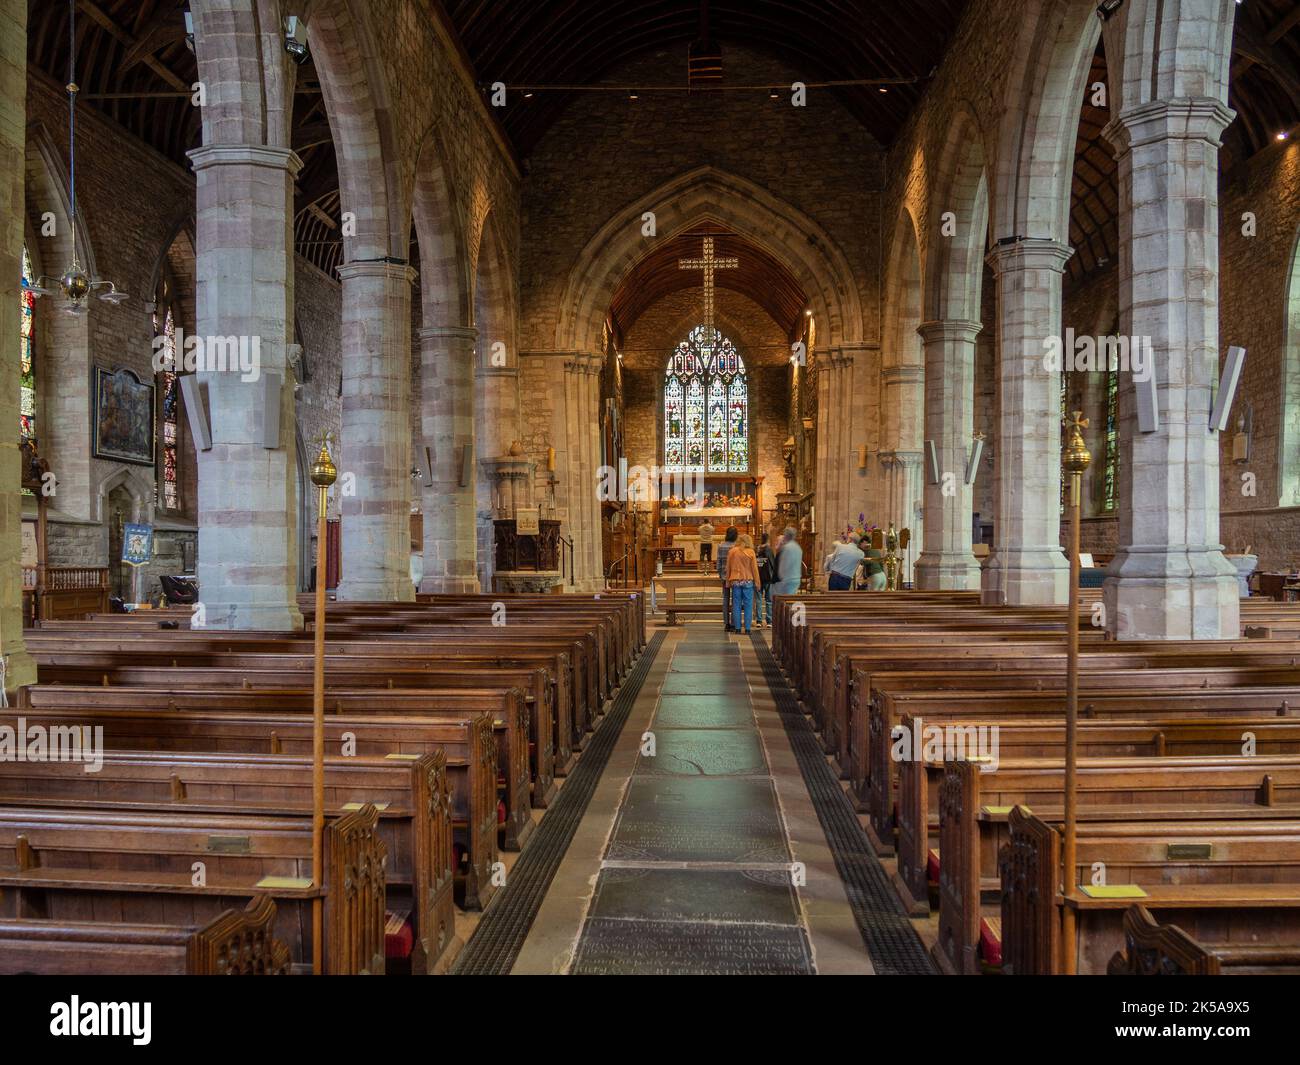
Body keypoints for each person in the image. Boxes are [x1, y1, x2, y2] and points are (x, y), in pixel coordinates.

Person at [725, 533, 760, 634]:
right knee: (748, 605)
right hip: (748, 581)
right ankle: (748, 629)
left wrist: (727, 581)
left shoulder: (732, 551)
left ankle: (738, 628)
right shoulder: (751, 552)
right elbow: (754, 569)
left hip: (736, 581)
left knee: (736, 605)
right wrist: (757, 582)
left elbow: (728, 568)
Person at [715, 525, 739, 632]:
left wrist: (720, 574)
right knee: (735, 599)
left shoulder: (721, 546)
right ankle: (734, 623)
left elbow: (719, 562)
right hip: (735, 576)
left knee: (725, 599)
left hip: (725, 576)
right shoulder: (737, 547)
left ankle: (726, 623)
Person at [771, 526, 802, 597]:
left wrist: (781, 578)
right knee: (790, 599)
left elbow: (784, 565)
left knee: (782, 601)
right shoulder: (798, 547)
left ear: (786, 536)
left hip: (787, 580)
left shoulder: (786, 548)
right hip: (796, 578)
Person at [755, 531, 776, 627]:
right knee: (768, 600)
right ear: (768, 540)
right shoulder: (769, 550)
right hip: (768, 577)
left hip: (759, 577)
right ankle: (769, 621)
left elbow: (757, 564)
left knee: (759, 600)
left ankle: (759, 621)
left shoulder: (757, 550)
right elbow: (772, 563)